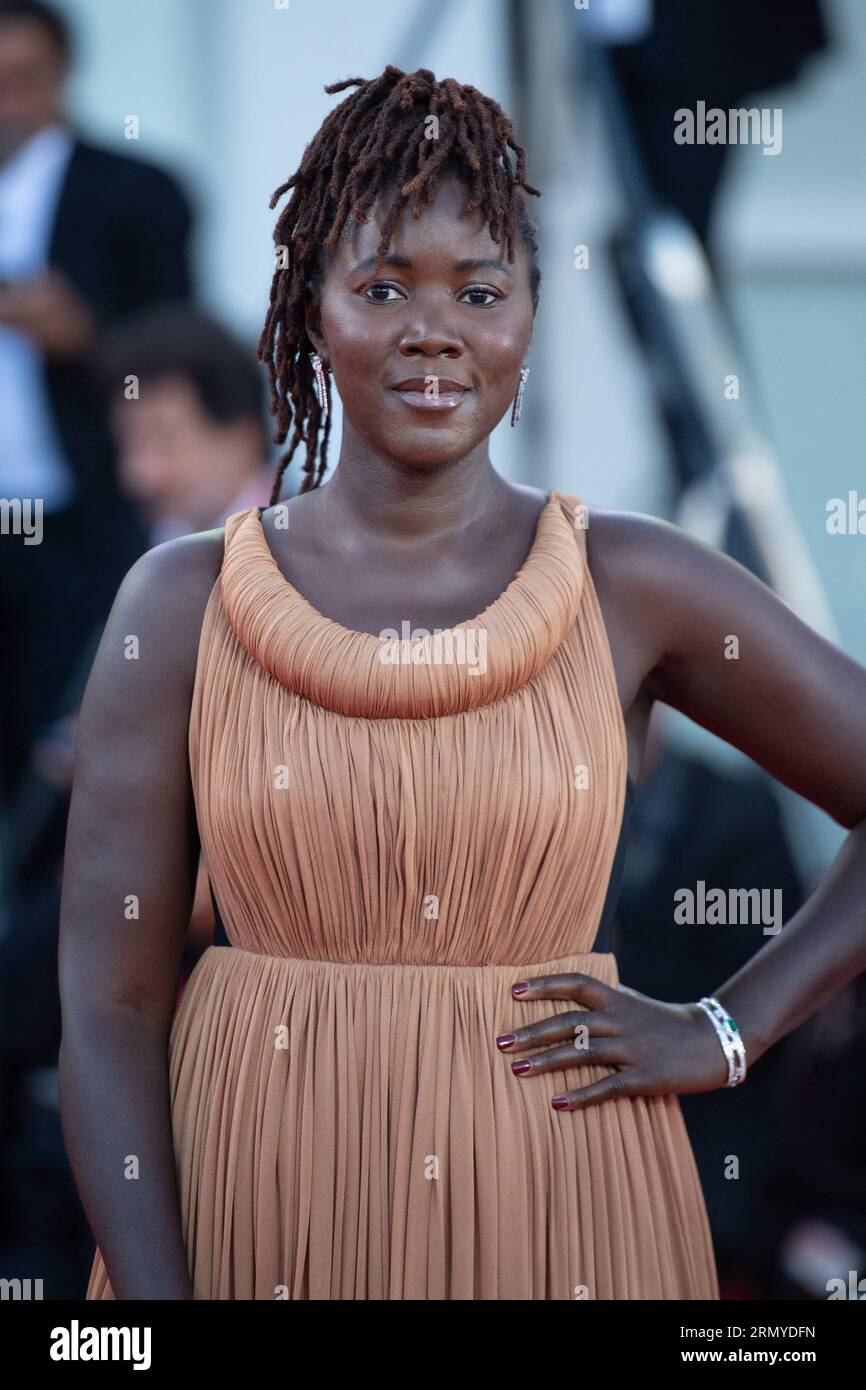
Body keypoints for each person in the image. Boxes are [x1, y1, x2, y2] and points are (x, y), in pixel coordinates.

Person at [59, 65, 866, 1301]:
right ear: (311, 308)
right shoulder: (179, 603)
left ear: (529, 314)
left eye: (477, 290)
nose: (431, 328)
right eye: (380, 286)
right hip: (256, 1206)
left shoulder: (630, 579)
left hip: (556, 1212)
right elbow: (109, 1006)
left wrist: (724, 1027)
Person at [0, 0, 194, 801]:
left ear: (62, 75)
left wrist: (84, 339)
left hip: (79, 521)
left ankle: (52, 925)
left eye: (23, 79)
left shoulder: (135, 189)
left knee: (73, 749)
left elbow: (179, 353)